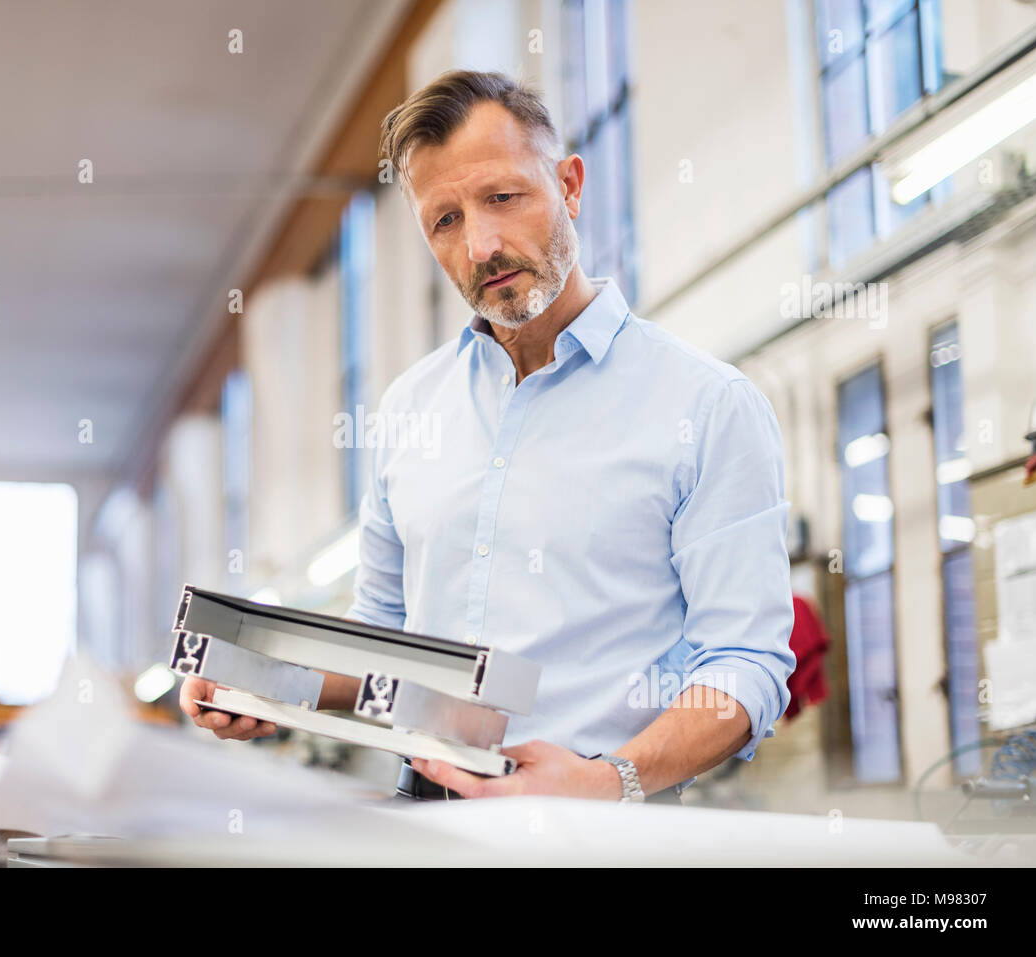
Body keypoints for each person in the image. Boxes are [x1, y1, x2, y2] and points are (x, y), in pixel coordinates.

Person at [181, 69, 795, 804]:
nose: (482, 246)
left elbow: (745, 662)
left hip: (605, 832)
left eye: (503, 198)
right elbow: (383, 636)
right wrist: (264, 684)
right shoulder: (410, 408)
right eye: (444, 220)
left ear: (569, 185)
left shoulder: (707, 404)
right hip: (423, 820)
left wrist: (605, 781)